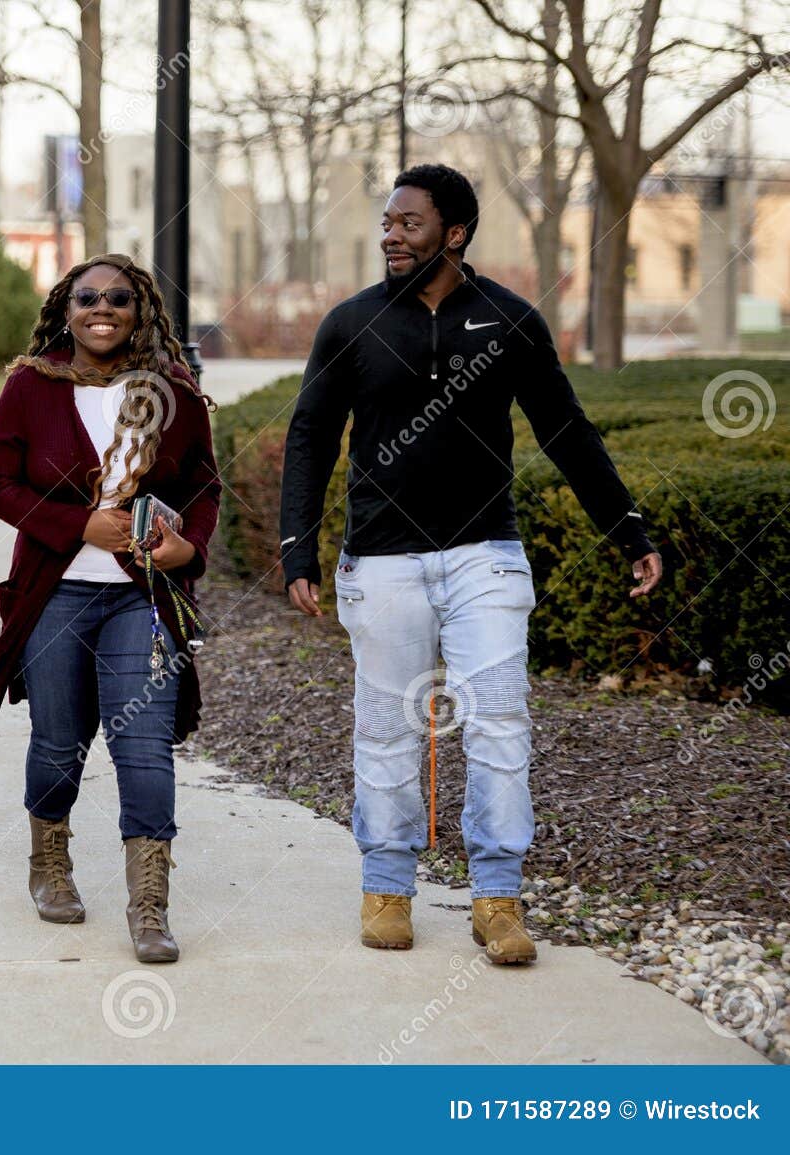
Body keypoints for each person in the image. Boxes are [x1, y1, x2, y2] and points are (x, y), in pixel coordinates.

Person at [279, 163, 664, 964]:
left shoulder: (510, 320)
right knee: (388, 727)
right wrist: (297, 548)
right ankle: (387, 885)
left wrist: (629, 529)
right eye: (387, 222)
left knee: (499, 720)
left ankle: (497, 896)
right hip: (382, 560)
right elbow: (311, 435)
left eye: (409, 222)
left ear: (454, 232)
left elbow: (566, 430)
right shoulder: (350, 324)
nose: (391, 234)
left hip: (485, 553)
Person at [0, 254, 221, 964]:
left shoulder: (169, 388)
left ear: (140, 309)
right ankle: (49, 863)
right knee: (58, 741)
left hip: (142, 599)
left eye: (119, 298)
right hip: (55, 593)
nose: (103, 309)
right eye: (88, 297)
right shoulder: (33, 384)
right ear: (67, 307)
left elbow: (204, 487)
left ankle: (149, 905)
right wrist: (76, 524)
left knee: (143, 746)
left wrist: (187, 548)